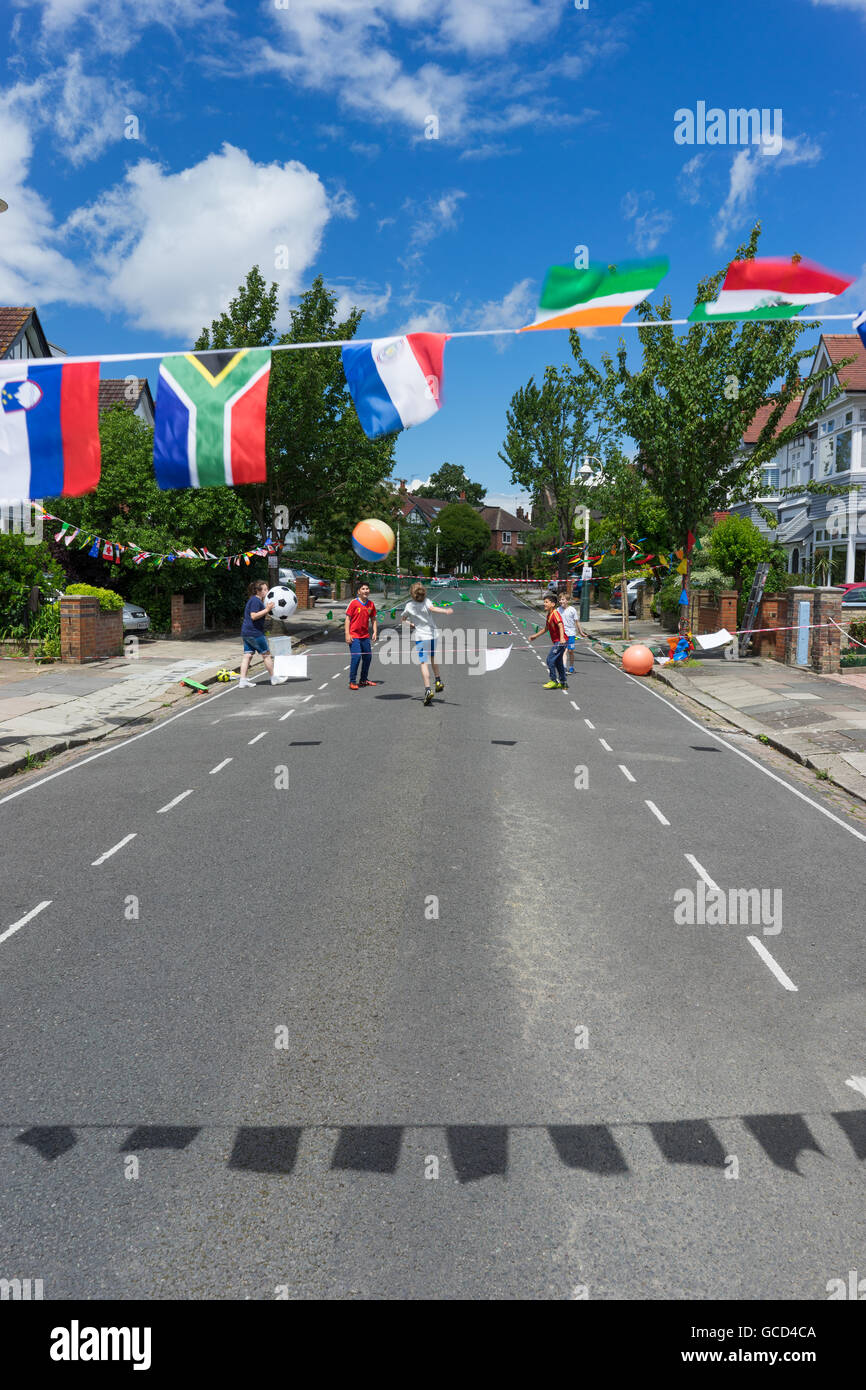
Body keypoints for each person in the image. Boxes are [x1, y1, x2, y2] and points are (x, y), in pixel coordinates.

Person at [401, 581, 453, 706]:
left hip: (420, 636)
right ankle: (438, 680)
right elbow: (433, 609)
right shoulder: (427, 601)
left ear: (412, 594)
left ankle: (428, 689)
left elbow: (403, 620)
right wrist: (445, 611)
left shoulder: (409, 606)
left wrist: (411, 624)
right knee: (433, 658)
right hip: (432, 635)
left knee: (424, 663)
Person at [238, 580, 287, 687]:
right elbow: (254, 616)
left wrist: (267, 610)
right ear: (258, 591)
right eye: (265, 589)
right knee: (266, 655)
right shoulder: (256, 601)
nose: (267, 591)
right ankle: (274, 677)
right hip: (255, 632)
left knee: (247, 655)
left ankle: (243, 680)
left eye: (267, 589)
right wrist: (267, 609)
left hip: (246, 632)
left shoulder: (254, 600)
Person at [528, 593, 568, 689]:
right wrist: (535, 636)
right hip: (558, 642)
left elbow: (560, 625)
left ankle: (553, 681)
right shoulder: (549, 615)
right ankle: (563, 682)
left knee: (550, 660)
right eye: (544, 602)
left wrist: (562, 638)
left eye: (546, 602)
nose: (544, 604)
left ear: (553, 604)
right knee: (558, 662)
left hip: (560, 642)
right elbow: (546, 628)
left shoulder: (555, 614)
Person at [345, 581, 379, 689]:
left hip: (365, 636)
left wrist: (375, 632)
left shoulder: (371, 604)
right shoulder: (354, 603)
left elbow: (373, 619)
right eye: (363, 589)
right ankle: (352, 681)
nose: (365, 591)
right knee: (357, 656)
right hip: (354, 635)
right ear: (358, 591)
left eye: (367, 589)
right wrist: (347, 634)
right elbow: (347, 619)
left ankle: (363, 680)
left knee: (368, 657)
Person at [558, 592, 587, 674]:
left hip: (571, 634)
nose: (561, 601)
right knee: (564, 651)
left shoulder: (572, 610)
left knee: (571, 651)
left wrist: (581, 632)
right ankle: (564, 667)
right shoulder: (558, 610)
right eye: (560, 600)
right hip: (562, 634)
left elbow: (577, 622)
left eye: (562, 599)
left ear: (567, 601)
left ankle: (571, 666)